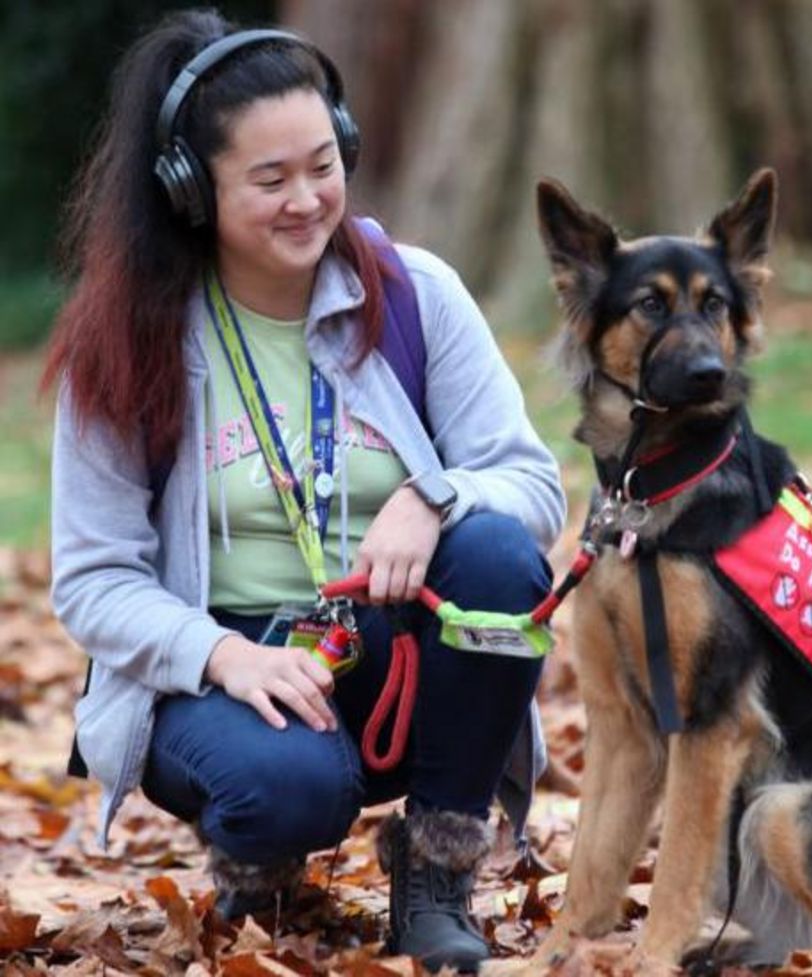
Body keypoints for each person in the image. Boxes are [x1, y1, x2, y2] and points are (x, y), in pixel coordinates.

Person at [43, 8, 565, 972]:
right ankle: (263, 855)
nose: (308, 199)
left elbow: (534, 485)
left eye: (323, 164)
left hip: (393, 649)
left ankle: (438, 871)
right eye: (270, 179)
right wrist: (223, 655)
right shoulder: (125, 341)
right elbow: (92, 579)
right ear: (190, 190)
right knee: (286, 788)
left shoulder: (416, 294)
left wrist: (436, 496)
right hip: (220, 671)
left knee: (496, 549)